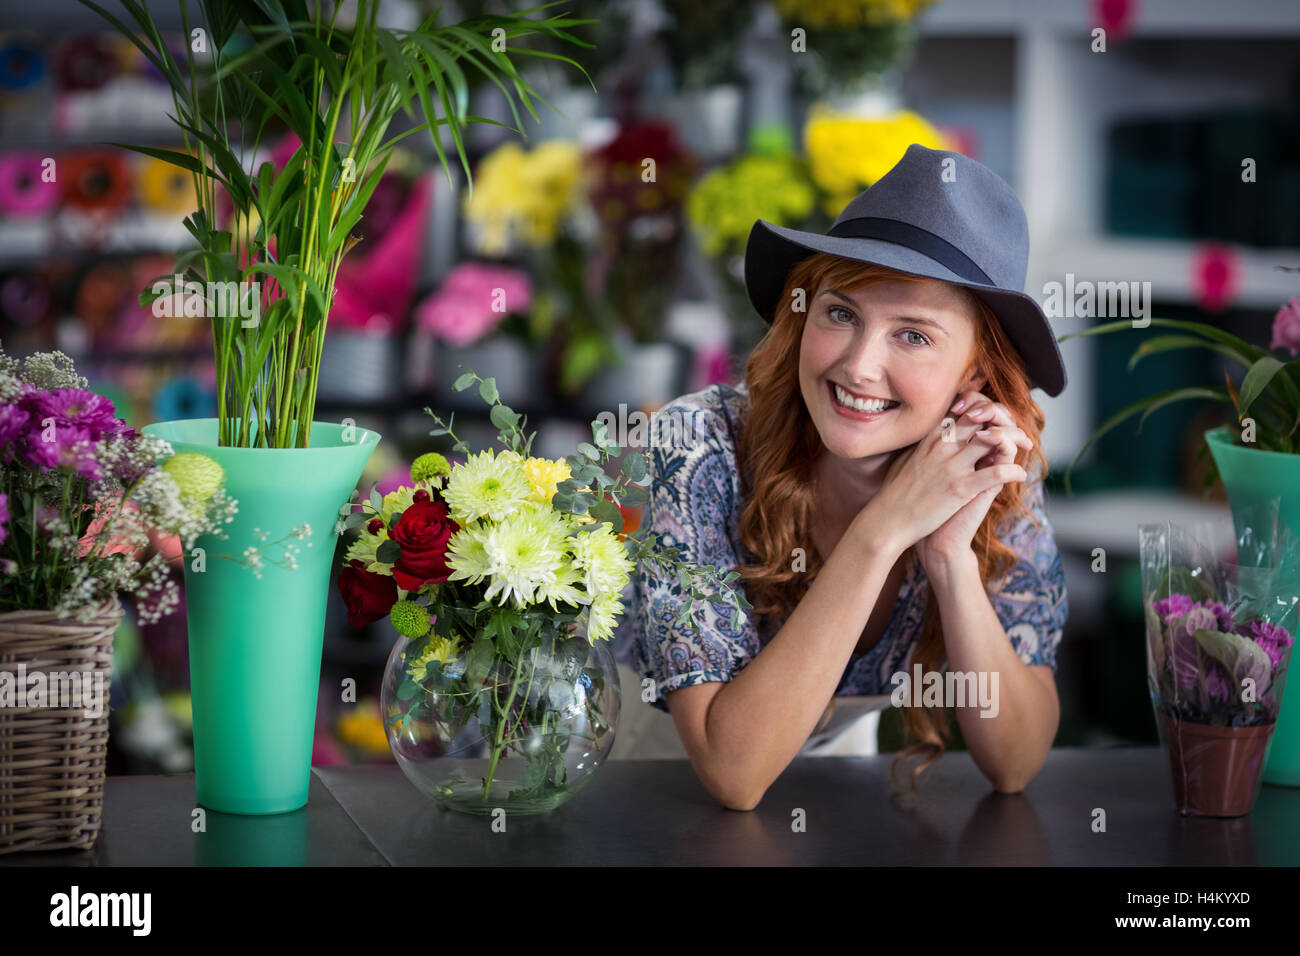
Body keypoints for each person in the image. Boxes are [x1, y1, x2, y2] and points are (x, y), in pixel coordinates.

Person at [615, 143, 1070, 811]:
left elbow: (1016, 763)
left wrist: (948, 558)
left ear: (974, 372)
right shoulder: (697, 444)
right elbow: (733, 772)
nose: (858, 367)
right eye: (841, 314)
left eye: (913, 335)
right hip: (646, 780)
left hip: (827, 793)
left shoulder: (987, 465)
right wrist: (882, 532)